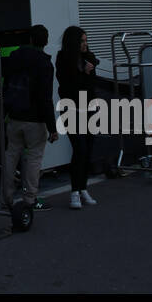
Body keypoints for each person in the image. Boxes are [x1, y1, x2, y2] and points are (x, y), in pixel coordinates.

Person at [1, 24, 59, 212]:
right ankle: (30, 199)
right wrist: (52, 127)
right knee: (34, 158)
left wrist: (5, 112)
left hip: (15, 115)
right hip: (35, 119)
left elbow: (6, 85)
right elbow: (45, 98)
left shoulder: (13, 58)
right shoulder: (44, 64)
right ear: (45, 41)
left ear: (30, 39)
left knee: (11, 156)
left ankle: (6, 198)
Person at [56, 25, 100, 208]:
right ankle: (75, 192)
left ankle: (83, 188)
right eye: (81, 41)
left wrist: (88, 71)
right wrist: (83, 71)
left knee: (88, 148)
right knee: (79, 148)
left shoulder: (89, 59)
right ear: (73, 42)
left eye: (86, 40)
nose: (85, 44)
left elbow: (91, 85)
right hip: (71, 108)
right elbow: (66, 84)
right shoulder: (63, 58)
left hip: (89, 107)